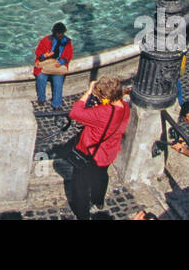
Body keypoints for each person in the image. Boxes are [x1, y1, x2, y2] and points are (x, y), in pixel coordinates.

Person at [67, 75, 131, 219]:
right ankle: (98, 201)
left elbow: (75, 112)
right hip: (109, 152)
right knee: (101, 176)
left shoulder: (104, 112)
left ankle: (82, 214)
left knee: (80, 186)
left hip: (91, 155)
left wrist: (89, 91)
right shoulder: (125, 107)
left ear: (104, 96)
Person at [33, 22, 74, 109]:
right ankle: (41, 99)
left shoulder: (67, 42)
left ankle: (56, 104)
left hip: (57, 65)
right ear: (54, 33)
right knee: (40, 78)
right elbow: (38, 52)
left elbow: (68, 54)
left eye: (62, 33)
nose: (60, 35)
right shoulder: (46, 40)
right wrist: (45, 55)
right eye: (59, 33)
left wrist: (62, 62)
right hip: (47, 64)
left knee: (58, 82)